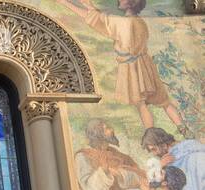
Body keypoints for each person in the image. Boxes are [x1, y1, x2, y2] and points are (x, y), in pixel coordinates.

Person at [57, 0, 188, 134]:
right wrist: (90, 6)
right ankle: (183, 129)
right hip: (146, 64)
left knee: (141, 104)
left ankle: (151, 136)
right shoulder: (139, 22)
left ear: (130, 3)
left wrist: (67, 4)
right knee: (164, 102)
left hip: (132, 67)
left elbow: (97, 19)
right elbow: (101, 18)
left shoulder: (123, 22)